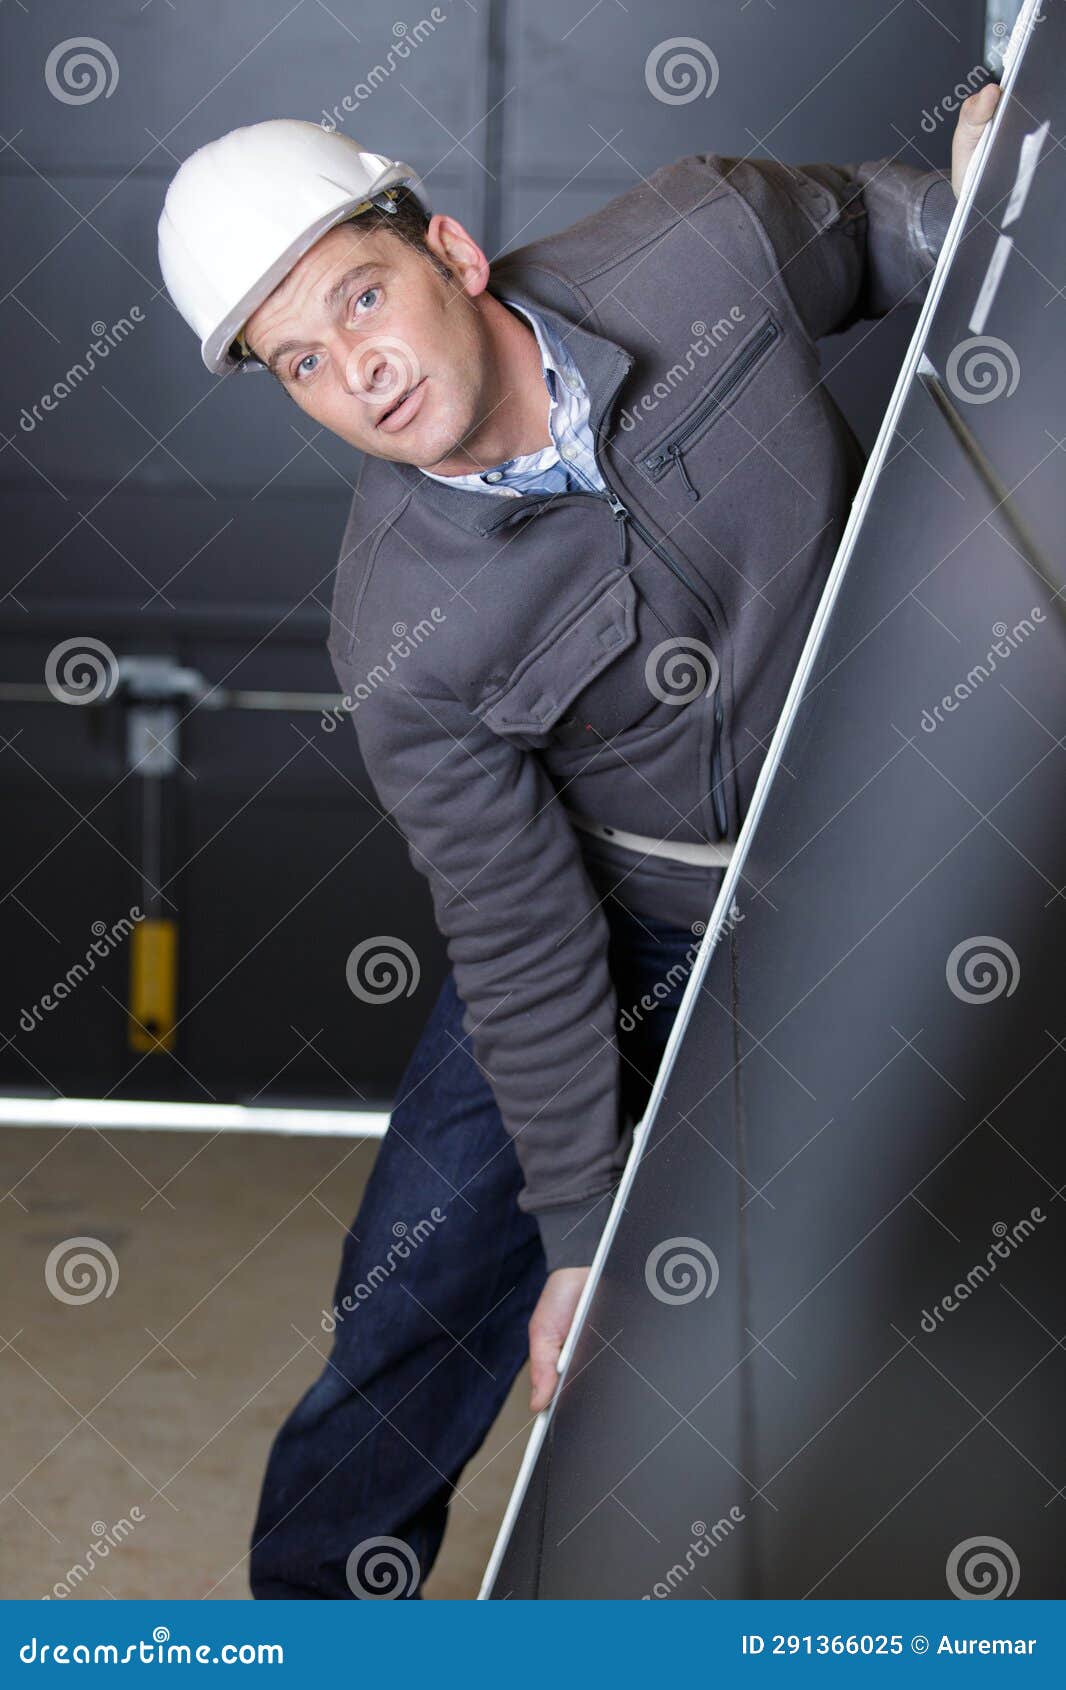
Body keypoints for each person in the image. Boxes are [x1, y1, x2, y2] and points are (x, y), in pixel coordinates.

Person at [156, 84, 1000, 1599]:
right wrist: (579, 1230)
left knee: (939, 1273)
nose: (358, 367)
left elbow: (885, 230)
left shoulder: (698, 242)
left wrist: (978, 200)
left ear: (455, 253)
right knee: (412, 1295)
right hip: (631, 928)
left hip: (888, 857)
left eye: (361, 295)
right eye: (302, 361)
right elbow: (519, 925)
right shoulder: (400, 637)